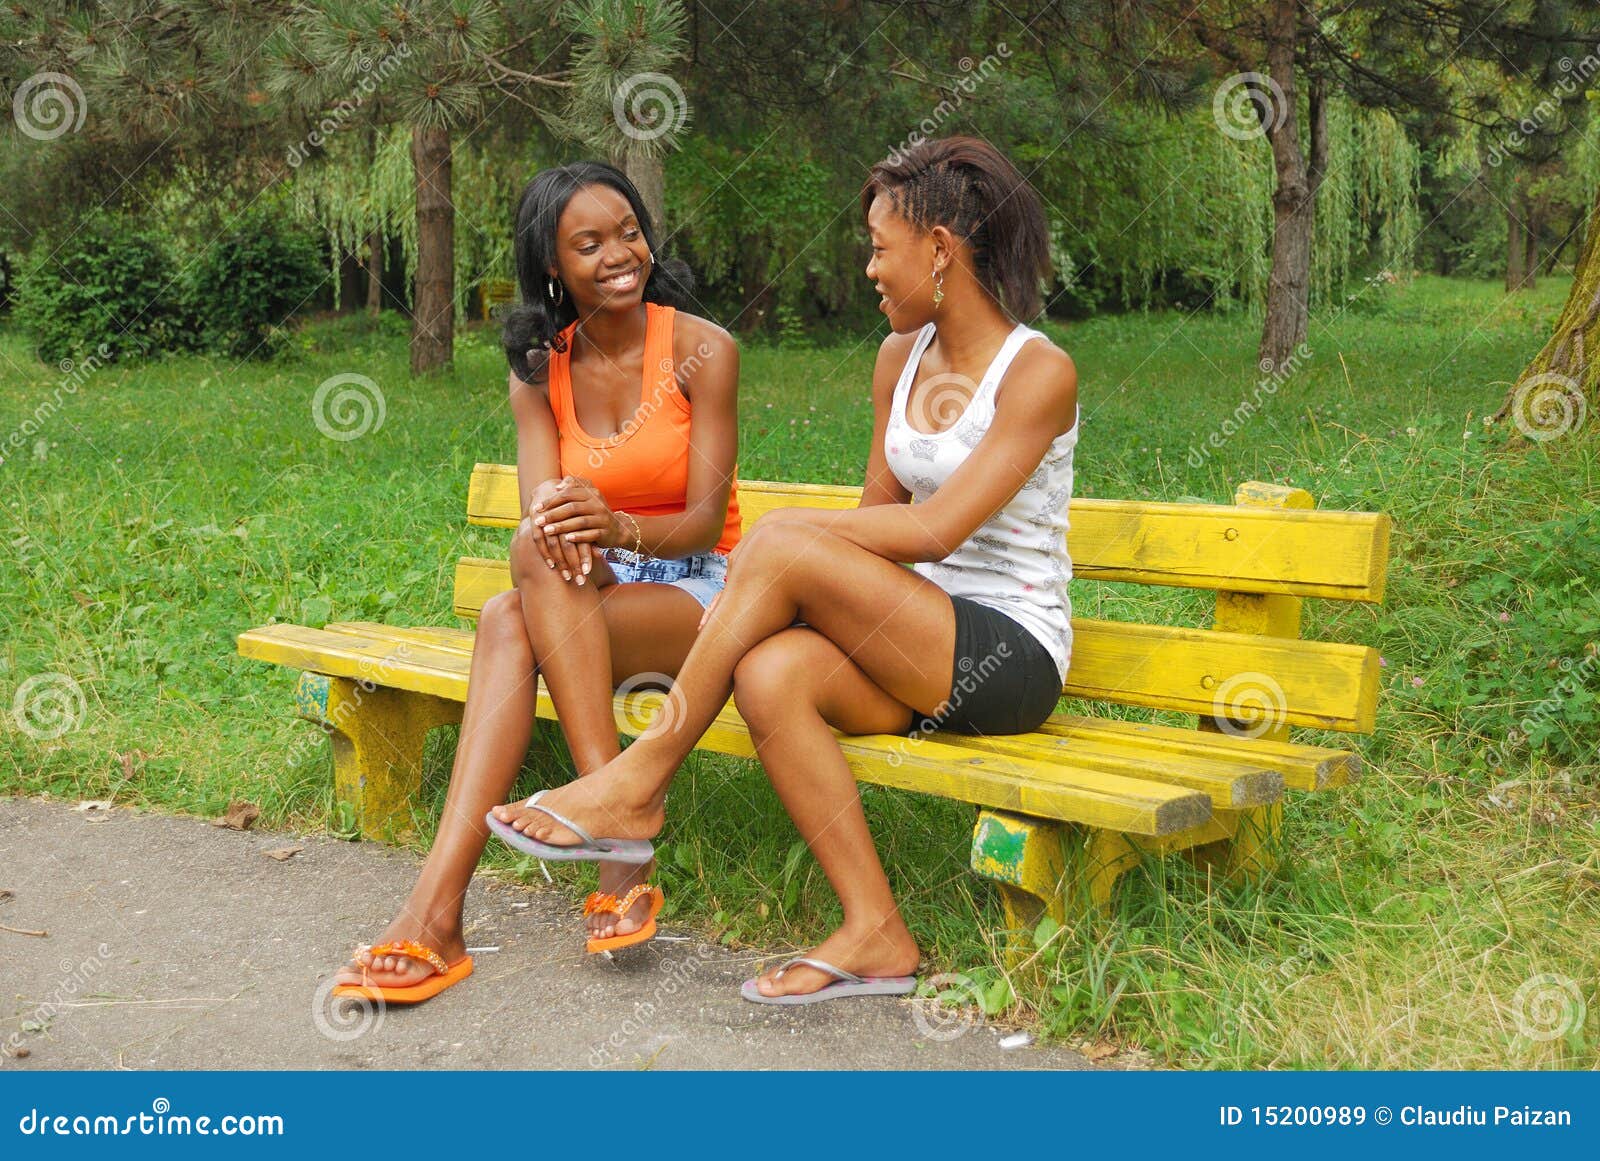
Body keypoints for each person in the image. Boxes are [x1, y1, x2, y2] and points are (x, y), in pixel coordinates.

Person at [487, 136, 1079, 1005]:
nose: (869, 268)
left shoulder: (1039, 372)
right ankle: (875, 928)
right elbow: (880, 516)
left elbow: (937, 526)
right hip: (912, 637)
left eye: (881, 248)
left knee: (777, 541)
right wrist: (801, 553)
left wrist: (789, 538)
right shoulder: (899, 359)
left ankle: (640, 780)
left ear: (941, 250)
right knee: (768, 673)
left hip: (1008, 656)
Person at [331, 160, 741, 1005]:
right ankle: (596, 835)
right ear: (552, 264)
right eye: (588, 243)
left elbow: (704, 520)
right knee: (518, 592)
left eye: (628, 232)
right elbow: (543, 528)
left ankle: (446, 908)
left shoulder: (702, 348)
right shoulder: (536, 368)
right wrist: (580, 545)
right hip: (590, 589)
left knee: (509, 619)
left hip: (700, 590)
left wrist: (615, 527)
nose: (620, 253)